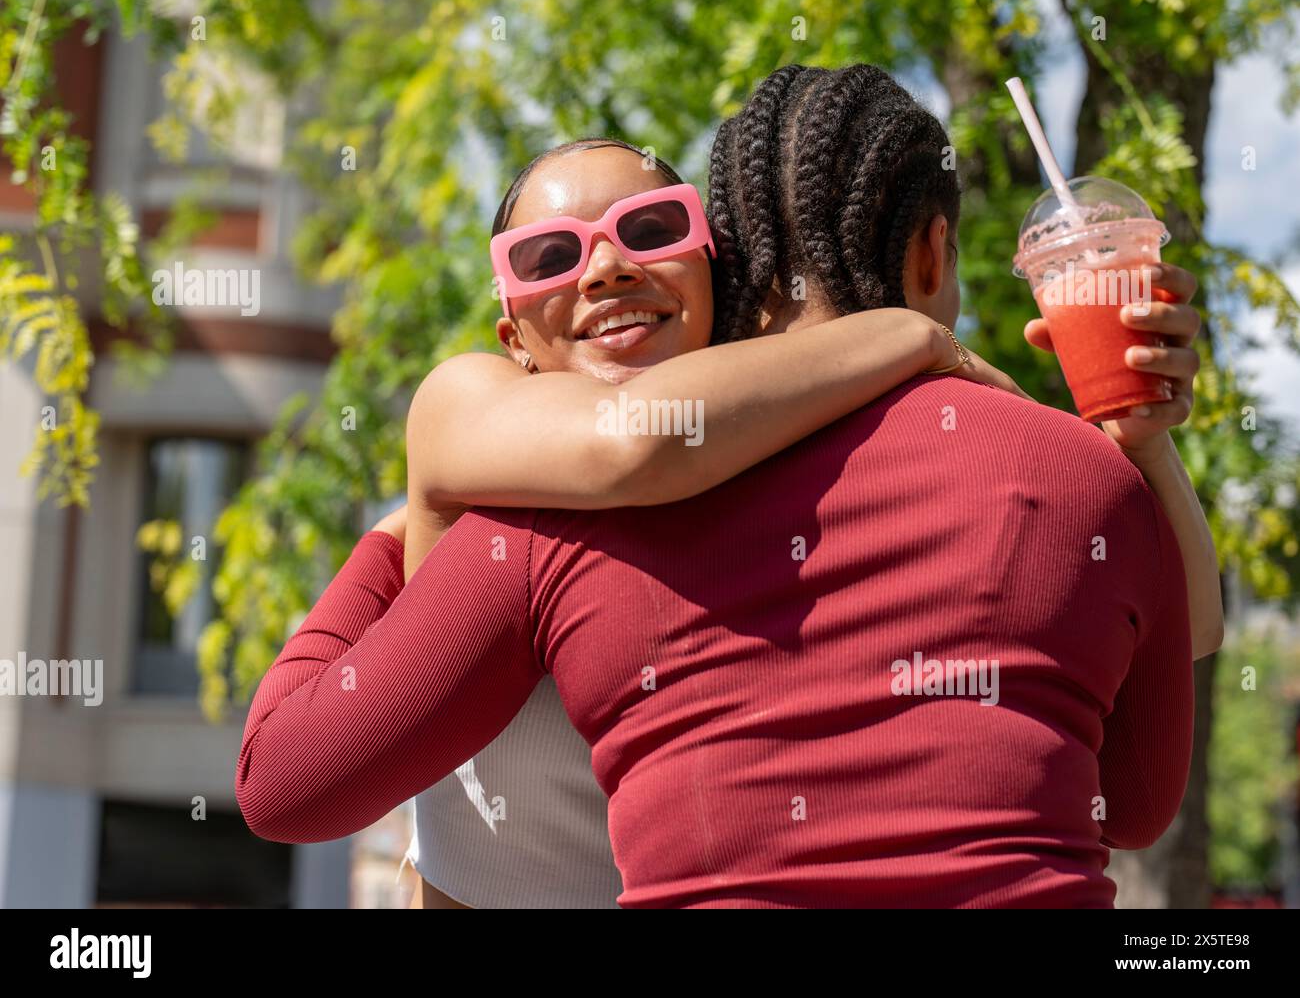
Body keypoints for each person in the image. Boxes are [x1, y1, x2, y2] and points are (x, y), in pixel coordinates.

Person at [236, 65, 1213, 907]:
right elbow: (1133, 786)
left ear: (722, 266)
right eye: (548, 256)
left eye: (650, 226)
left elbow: (1155, 641)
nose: (609, 267)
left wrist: (1134, 443)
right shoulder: (496, 451)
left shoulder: (570, 520)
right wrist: (924, 340)